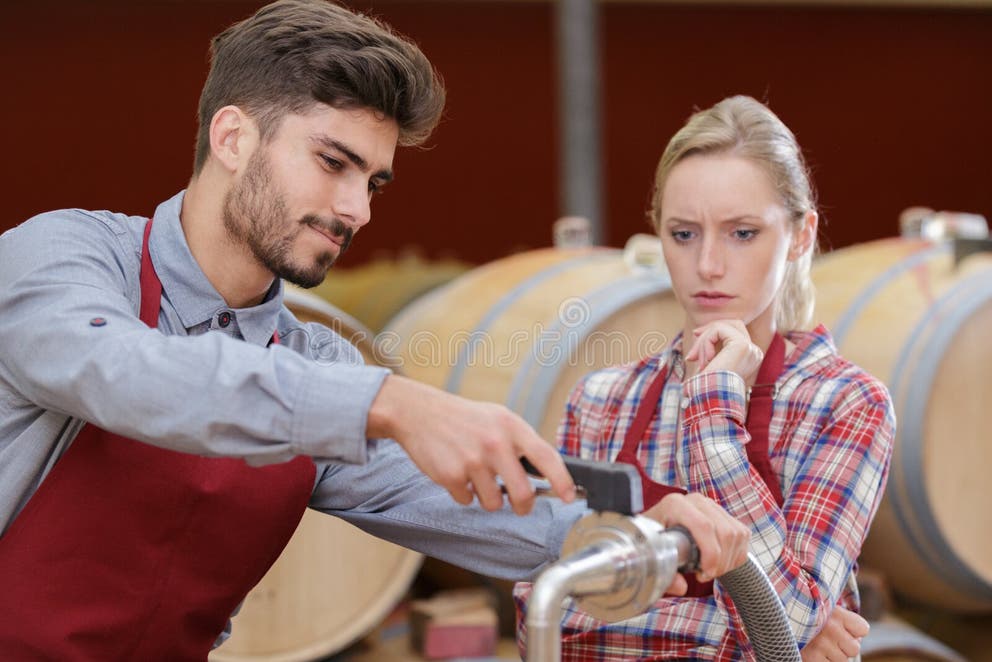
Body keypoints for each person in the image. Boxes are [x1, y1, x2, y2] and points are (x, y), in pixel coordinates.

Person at [0, 1, 595, 657]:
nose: (358, 210)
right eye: (332, 162)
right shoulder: (64, 258)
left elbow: (473, 504)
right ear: (231, 139)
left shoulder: (318, 361)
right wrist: (388, 401)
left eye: (374, 182)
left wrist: (627, 529)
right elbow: (127, 375)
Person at [514, 95, 895, 661]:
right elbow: (541, 617)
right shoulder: (600, 400)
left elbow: (784, 624)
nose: (708, 265)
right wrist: (741, 638)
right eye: (685, 234)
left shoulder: (847, 405)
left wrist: (713, 413)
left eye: (742, 233)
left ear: (799, 235)